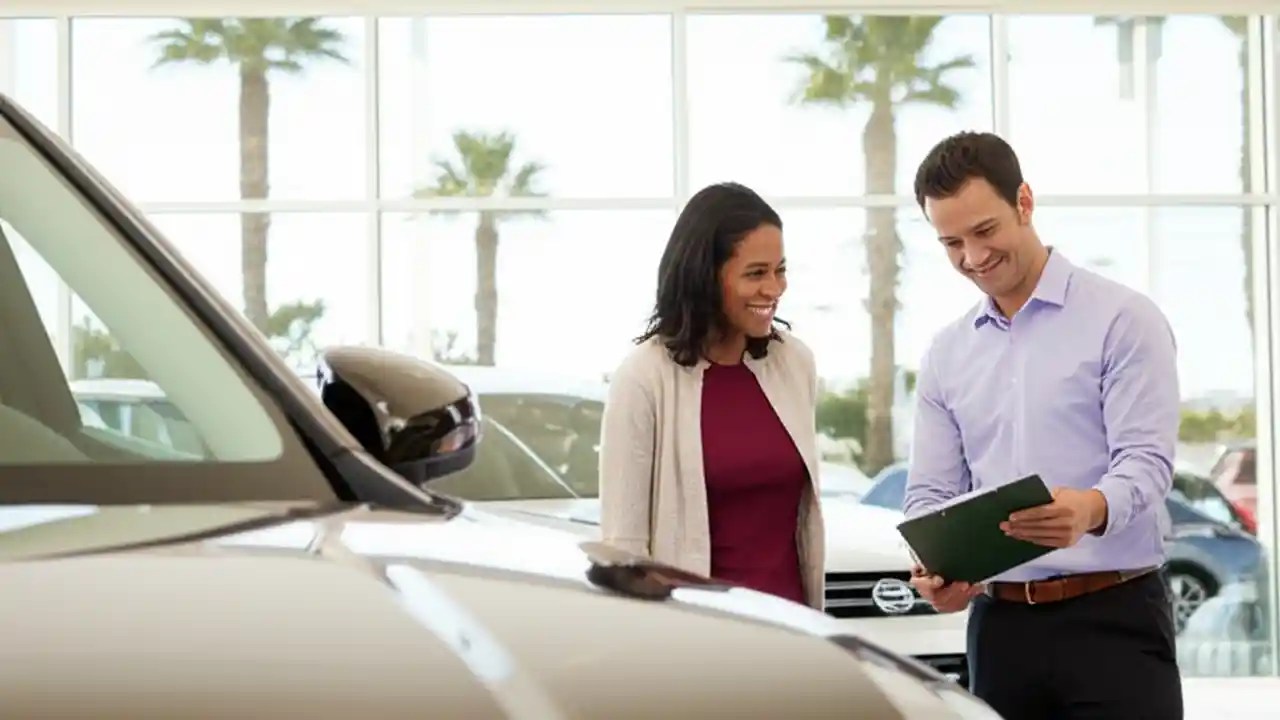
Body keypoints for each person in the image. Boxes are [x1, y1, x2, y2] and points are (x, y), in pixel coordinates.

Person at [904, 131, 1182, 719]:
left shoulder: (1123, 320)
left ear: (1024, 203)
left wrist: (1089, 508)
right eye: (951, 242)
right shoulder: (946, 353)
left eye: (985, 232)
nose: (973, 258)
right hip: (1000, 632)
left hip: (1116, 617)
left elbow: (1147, 463)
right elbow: (930, 494)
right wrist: (938, 573)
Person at [598, 181, 825, 610]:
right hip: (699, 643)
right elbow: (623, 546)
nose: (774, 288)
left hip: (794, 632)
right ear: (705, 275)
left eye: (780, 270)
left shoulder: (794, 363)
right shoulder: (643, 378)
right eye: (756, 273)